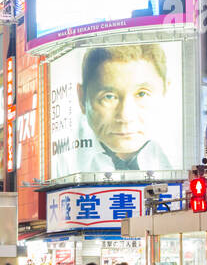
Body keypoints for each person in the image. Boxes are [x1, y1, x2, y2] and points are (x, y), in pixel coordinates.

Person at [72, 44, 175, 172]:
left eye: (142, 94)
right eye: (109, 97)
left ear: (165, 93)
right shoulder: (58, 163)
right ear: (82, 98)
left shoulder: (183, 153)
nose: (125, 116)